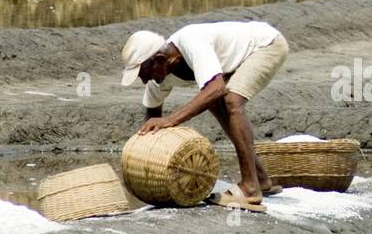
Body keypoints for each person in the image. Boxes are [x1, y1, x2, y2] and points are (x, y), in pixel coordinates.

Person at [121, 20, 288, 211]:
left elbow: (216, 88)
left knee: (231, 101)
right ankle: (261, 178)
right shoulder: (159, 78)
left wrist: (171, 120)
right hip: (235, 60)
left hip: (266, 45)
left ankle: (251, 189)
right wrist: (145, 160)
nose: (144, 80)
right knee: (215, 104)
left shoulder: (191, 41)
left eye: (144, 72)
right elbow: (151, 119)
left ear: (159, 58)